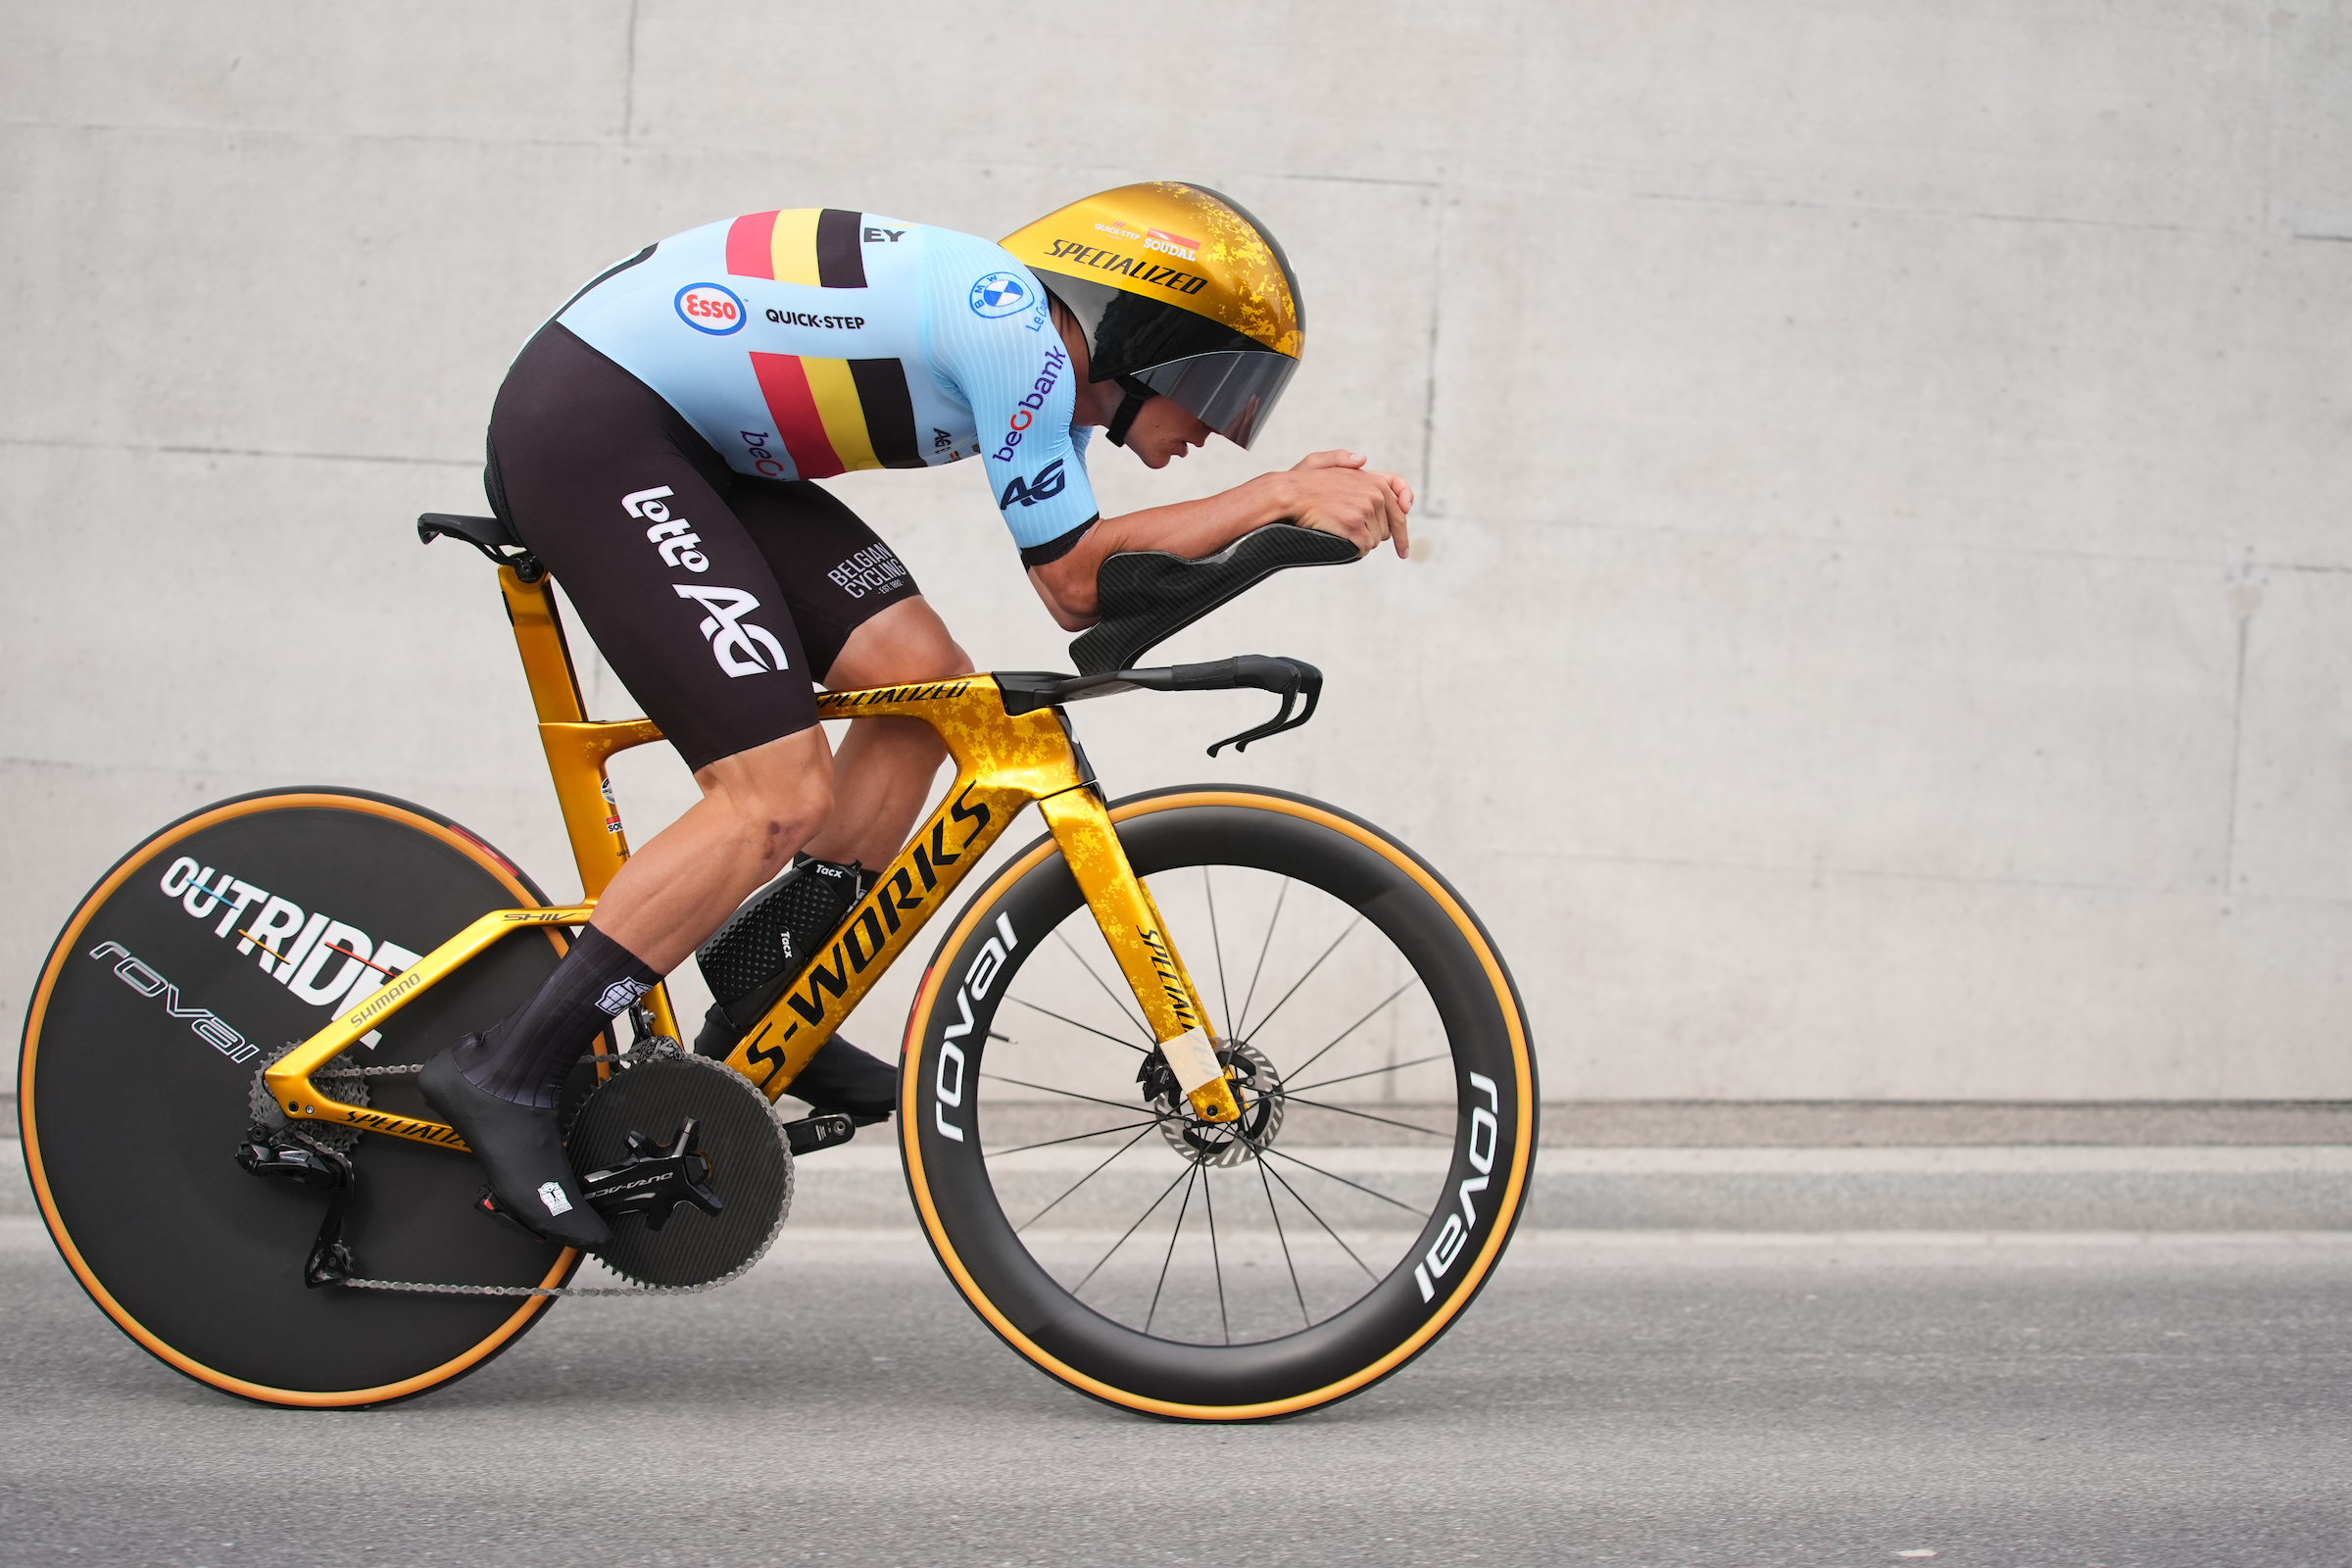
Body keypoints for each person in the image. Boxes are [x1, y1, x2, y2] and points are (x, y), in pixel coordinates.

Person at [418, 182, 1413, 1250]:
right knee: (773, 795)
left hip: (690, 448)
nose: (1220, 427)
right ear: (1146, 336)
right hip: (599, 426)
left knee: (923, 682)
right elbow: (1078, 583)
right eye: (1221, 384)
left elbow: (1097, 582)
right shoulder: (1018, 335)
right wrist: (1271, 500)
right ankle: (509, 1070)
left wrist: (1273, 510)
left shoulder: (1033, 362)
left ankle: (770, 995)